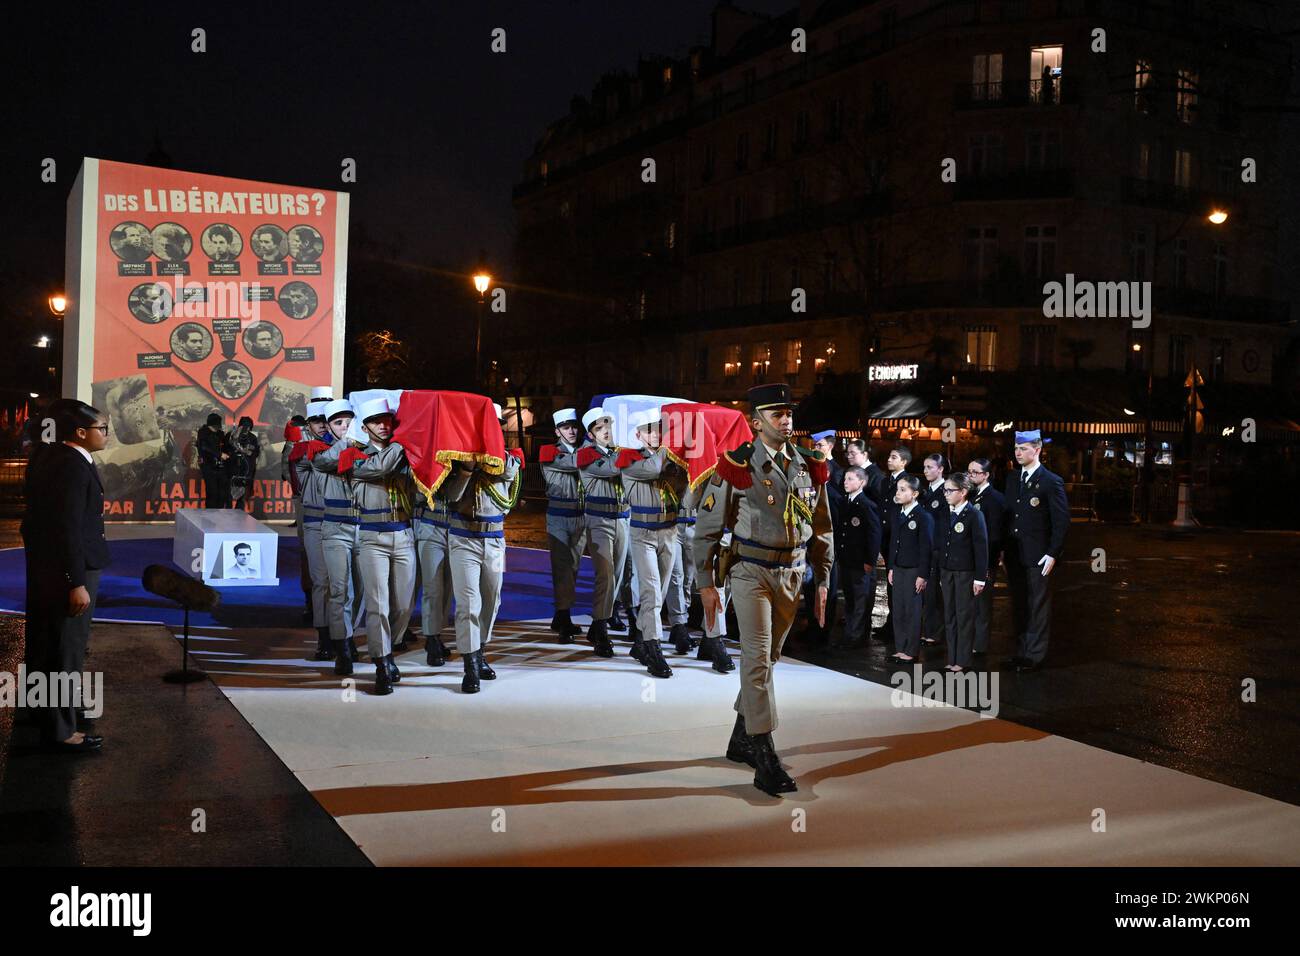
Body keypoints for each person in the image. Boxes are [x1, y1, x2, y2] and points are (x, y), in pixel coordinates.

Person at [694, 383, 834, 797]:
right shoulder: (736, 465)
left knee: (769, 660)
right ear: (756, 422)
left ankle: (741, 738)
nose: (786, 420)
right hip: (749, 571)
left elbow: (822, 525)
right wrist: (706, 584)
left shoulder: (809, 464)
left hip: (791, 573)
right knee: (756, 660)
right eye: (777, 414)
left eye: (789, 412)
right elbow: (707, 529)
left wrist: (823, 576)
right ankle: (764, 753)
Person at [21, 400, 110, 752]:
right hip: (71, 570)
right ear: (80, 432)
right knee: (65, 650)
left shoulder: (48, 458)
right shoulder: (72, 466)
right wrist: (75, 581)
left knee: (44, 645)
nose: (105, 435)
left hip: (48, 568)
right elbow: (69, 528)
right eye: (102, 428)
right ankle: (61, 731)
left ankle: (45, 711)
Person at [440, 404, 522, 694]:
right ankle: (470, 663)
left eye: (496, 425)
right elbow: (449, 497)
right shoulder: (457, 461)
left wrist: (486, 459)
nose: (493, 429)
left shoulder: (508, 460)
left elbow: (507, 476)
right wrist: (465, 470)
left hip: (495, 539)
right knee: (468, 603)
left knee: (492, 599)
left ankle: (480, 647)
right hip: (464, 538)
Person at [339, 398, 417, 696]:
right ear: (365, 427)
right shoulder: (354, 456)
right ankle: (382, 663)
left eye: (387, 420)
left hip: (404, 534)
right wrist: (402, 444)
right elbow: (379, 469)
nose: (383, 425)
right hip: (372, 537)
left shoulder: (404, 455)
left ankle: (389, 648)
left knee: (404, 604)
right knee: (378, 605)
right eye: (376, 421)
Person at [617, 408, 691, 678]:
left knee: (657, 592)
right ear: (637, 434)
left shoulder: (668, 459)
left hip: (669, 531)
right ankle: (653, 650)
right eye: (649, 430)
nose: (655, 435)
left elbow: (684, 491)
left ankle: (640, 640)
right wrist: (673, 450)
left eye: (659, 429)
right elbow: (655, 468)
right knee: (651, 592)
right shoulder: (629, 458)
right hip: (644, 534)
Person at [1002, 430, 1069, 673]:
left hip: (1038, 555)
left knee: (1038, 605)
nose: (1018, 453)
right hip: (1014, 554)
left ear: (1037, 450)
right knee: (1019, 603)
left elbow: (1061, 521)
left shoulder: (1051, 481)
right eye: (1017, 449)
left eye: (1024, 449)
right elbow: (1008, 516)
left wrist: (1053, 553)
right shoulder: (1012, 479)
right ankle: (1020, 652)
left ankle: (1035, 655)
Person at [311, 400, 366, 674]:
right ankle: (342, 647)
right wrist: (348, 442)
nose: (344, 427)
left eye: (348, 421)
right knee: (341, 590)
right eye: (338, 423)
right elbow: (328, 462)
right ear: (329, 427)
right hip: (335, 529)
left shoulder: (364, 450)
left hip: (364, 527)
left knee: (362, 592)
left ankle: (350, 633)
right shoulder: (321, 452)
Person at [577, 406, 633, 657]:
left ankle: (601, 620)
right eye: (600, 428)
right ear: (591, 435)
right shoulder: (586, 455)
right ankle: (600, 628)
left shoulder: (616, 451)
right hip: (599, 520)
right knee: (606, 575)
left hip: (622, 518)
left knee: (619, 575)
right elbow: (614, 467)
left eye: (609, 426)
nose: (606, 431)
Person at [539, 408, 586, 643]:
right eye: (566, 427)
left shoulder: (582, 452)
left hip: (580, 515)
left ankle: (560, 614)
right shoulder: (549, 452)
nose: (571, 431)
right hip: (558, 515)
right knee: (562, 568)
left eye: (574, 426)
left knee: (574, 568)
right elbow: (573, 465)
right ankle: (564, 617)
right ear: (557, 431)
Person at [290, 400, 333, 659]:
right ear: (309, 424)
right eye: (318, 421)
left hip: (342, 521)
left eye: (326, 420)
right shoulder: (301, 450)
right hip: (313, 515)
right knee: (318, 577)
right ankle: (323, 632)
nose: (323, 425)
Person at [933, 473, 988, 672]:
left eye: (950, 490)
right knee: (949, 615)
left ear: (963, 492)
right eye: (944, 490)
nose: (946, 494)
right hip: (948, 571)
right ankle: (952, 657)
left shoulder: (974, 515)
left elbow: (981, 548)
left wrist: (980, 578)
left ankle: (963, 660)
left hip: (965, 572)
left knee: (964, 616)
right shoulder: (946, 513)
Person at [884, 475, 933, 666]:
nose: (898, 492)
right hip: (898, 567)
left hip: (914, 570)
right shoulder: (898, 514)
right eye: (898, 489)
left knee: (912, 610)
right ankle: (900, 647)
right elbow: (893, 543)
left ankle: (910, 651)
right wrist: (890, 567)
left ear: (915, 494)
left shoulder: (923, 517)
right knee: (899, 609)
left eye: (903, 489)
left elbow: (925, 548)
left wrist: (923, 574)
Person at [801, 429, 842, 644]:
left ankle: (823, 632)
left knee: (826, 587)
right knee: (809, 586)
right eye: (814, 446)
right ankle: (812, 625)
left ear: (830, 446)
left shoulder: (837, 472)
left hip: (828, 536)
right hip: (810, 537)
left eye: (820, 446)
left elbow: (835, 507)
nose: (816, 449)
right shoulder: (808, 468)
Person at [834, 465, 882, 649]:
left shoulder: (866, 505)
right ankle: (850, 633)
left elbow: (873, 535)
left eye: (851, 479)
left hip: (860, 561)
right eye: (845, 479)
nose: (846, 482)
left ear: (861, 482)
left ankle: (856, 636)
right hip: (847, 559)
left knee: (861, 599)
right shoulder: (845, 502)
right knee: (850, 598)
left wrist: (870, 561)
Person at [967, 457, 1005, 656]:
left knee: (982, 605)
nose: (971, 475)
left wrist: (989, 562)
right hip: (967, 559)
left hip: (984, 560)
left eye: (975, 472)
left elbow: (994, 534)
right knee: (968, 603)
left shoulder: (995, 498)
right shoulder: (970, 495)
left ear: (986, 475)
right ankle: (968, 640)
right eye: (969, 471)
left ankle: (979, 646)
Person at [282, 414, 311, 621]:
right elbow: (288, 466)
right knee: (308, 557)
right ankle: (311, 604)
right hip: (307, 505)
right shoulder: (297, 447)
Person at [919, 453, 948, 648]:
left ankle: (936, 632)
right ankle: (929, 630)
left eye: (930, 467)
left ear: (941, 469)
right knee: (927, 593)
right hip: (926, 548)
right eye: (924, 467)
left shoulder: (947, 491)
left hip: (939, 548)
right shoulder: (925, 492)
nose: (926, 471)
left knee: (937, 593)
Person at [197, 413, 231, 509]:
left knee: (222, 493)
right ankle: (210, 516)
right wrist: (220, 455)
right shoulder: (203, 432)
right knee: (212, 492)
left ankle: (219, 515)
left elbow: (224, 446)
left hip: (220, 467)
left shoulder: (220, 434)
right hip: (208, 467)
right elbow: (204, 447)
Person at [227, 417, 259, 508]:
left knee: (241, 495)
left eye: (249, 427)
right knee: (229, 494)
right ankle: (227, 514)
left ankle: (239, 514)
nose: (247, 429)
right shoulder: (231, 435)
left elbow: (256, 452)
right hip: (232, 468)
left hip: (245, 469)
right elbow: (227, 448)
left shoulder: (252, 438)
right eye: (245, 427)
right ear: (240, 426)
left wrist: (249, 451)